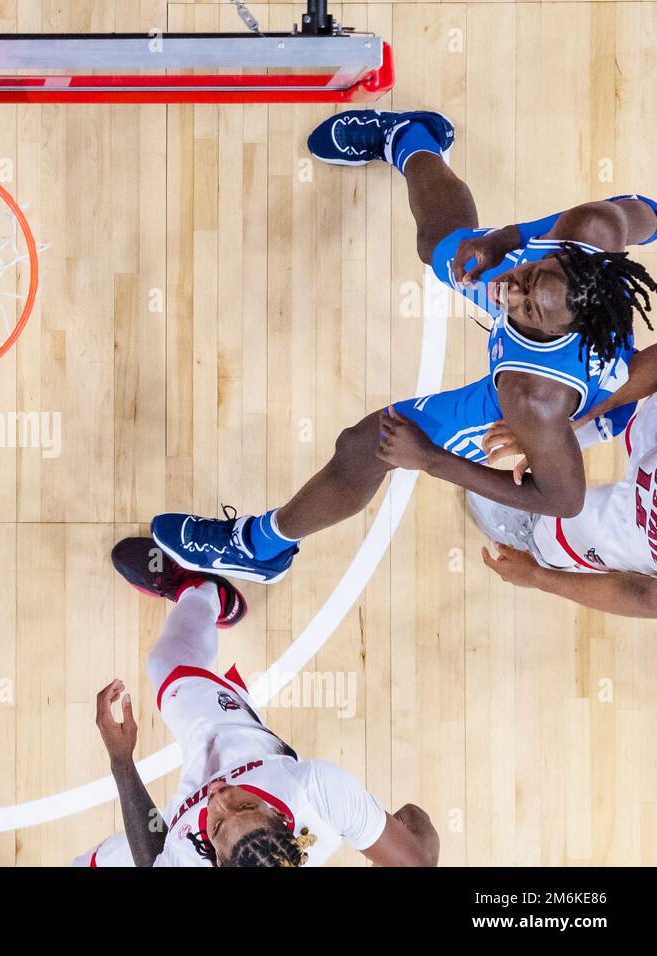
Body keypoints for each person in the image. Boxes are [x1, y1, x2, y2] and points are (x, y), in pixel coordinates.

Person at [150, 109, 657, 585]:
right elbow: (646, 212)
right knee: (444, 247)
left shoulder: (532, 397)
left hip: (566, 399)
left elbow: (564, 500)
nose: (511, 292)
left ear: (552, 327)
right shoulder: (589, 232)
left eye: (528, 307)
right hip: (580, 348)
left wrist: (431, 460)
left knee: (366, 445)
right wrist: (502, 243)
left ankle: (259, 547)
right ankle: (409, 136)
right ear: (564, 255)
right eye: (528, 275)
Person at [76, 538, 439, 867]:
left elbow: (156, 860)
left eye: (217, 824)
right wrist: (387, 832)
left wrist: (122, 761)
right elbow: (418, 855)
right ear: (280, 816)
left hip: (183, 830)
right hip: (243, 755)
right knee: (165, 665)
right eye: (245, 805)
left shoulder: (190, 858)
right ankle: (204, 592)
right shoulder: (321, 794)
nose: (218, 797)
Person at [474, 343, 657, 616]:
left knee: (557, 537)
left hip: (640, 529)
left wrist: (538, 578)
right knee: (618, 393)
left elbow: (645, 597)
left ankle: (539, 535)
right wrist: (555, 427)